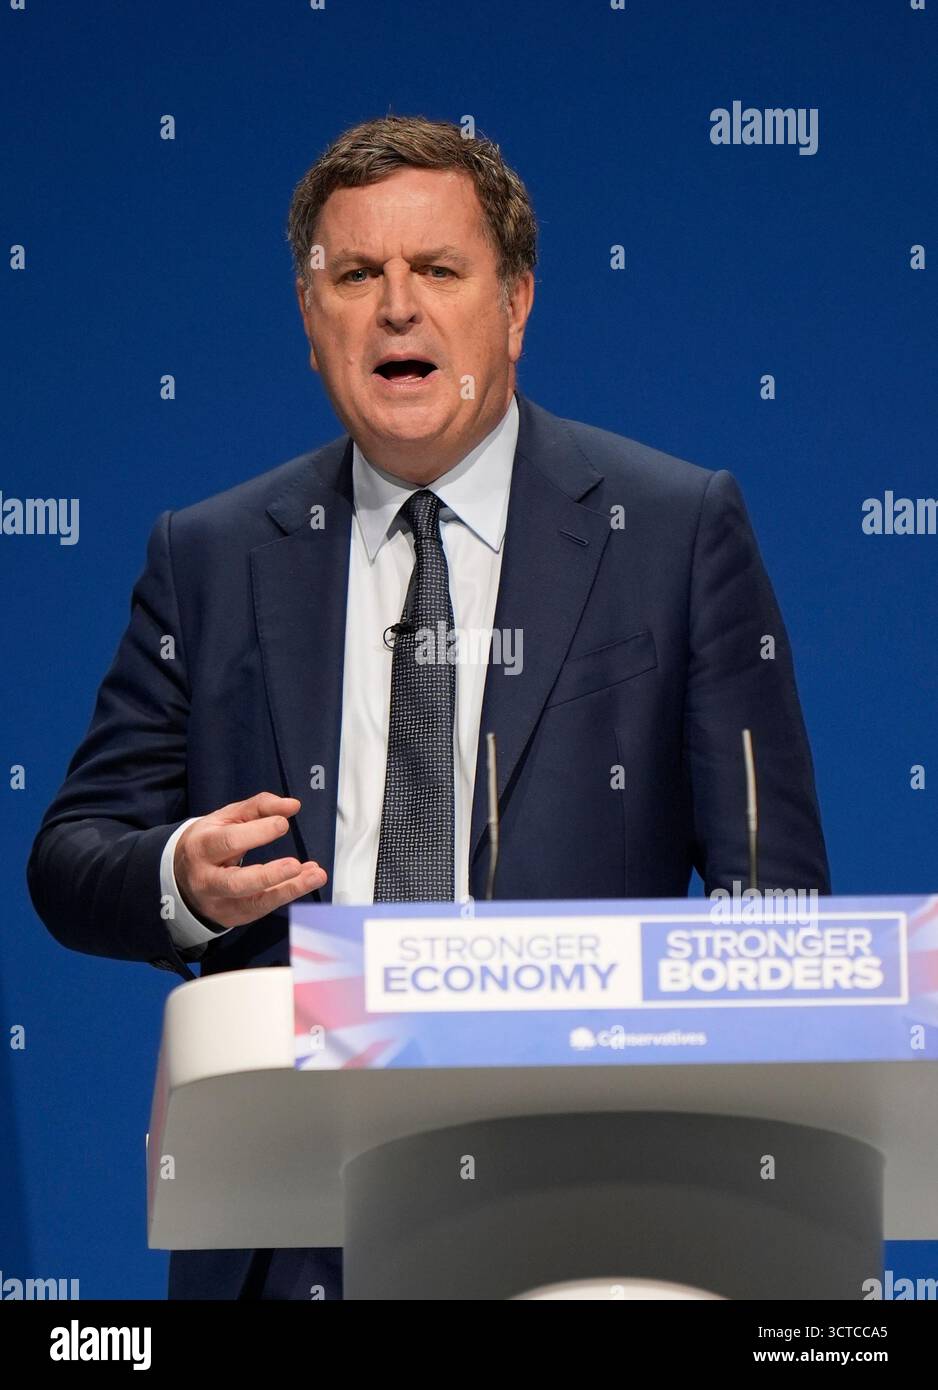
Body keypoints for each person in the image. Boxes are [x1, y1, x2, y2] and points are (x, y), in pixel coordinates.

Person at [26, 115, 830, 1301]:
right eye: (356, 276)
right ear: (312, 322)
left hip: (585, 1216)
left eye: (437, 271)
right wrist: (184, 880)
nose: (396, 308)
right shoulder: (208, 556)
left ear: (513, 305)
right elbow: (71, 856)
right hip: (290, 1221)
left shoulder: (669, 531)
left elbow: (780, 912)